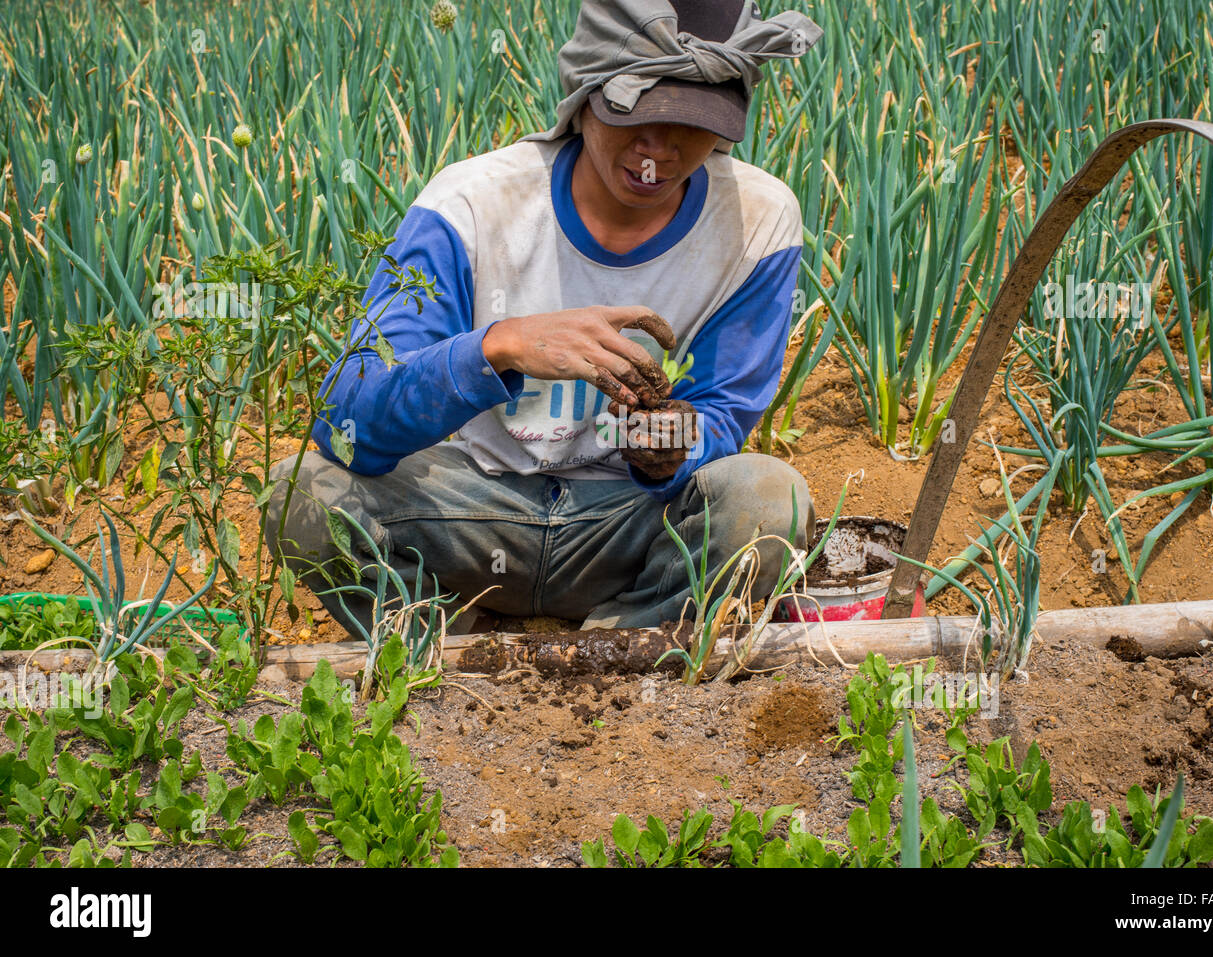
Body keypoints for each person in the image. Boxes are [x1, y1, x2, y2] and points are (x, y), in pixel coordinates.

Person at [265, 0, 823, 637]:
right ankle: (434, 647)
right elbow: (349, 424)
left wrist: (665, 446)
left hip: (632, 524)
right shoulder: (473, 204)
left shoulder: (756, 220)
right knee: (299, 496)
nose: (656, 152)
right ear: (584, 99)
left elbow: (722, 416)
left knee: (767, 497)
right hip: (475, 509)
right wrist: (500, 348)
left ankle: (630, 650)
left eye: (687, 125)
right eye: (634, 118)